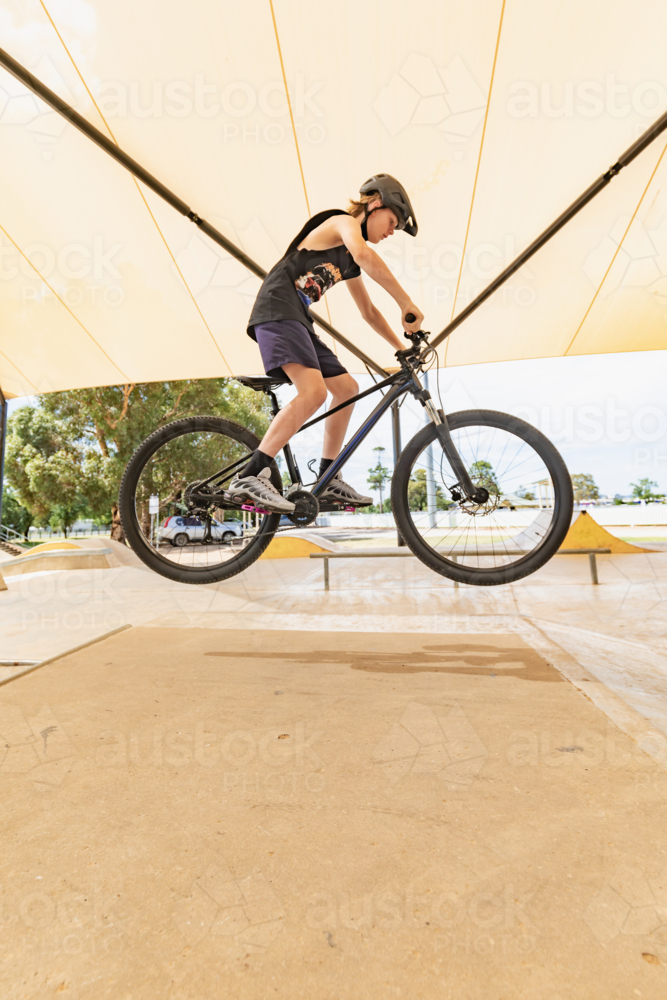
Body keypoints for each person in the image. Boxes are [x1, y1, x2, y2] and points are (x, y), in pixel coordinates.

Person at [228, 173, 424, 513]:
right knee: (314, 392)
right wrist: (406, 303)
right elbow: (364, 255)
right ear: (374, 203)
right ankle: (251, 474)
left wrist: (400, 346)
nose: (391, 232)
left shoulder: (348, 261)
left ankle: (328, 476)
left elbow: (368, 311)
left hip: (297, 318)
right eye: (392, 221)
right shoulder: (341, 223)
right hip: (278, 309)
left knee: (346, 388)